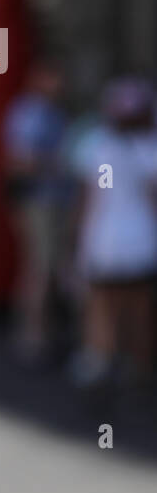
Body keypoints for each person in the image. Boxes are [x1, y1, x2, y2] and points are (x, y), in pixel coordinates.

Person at [68, 78, 157, 389]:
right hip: (142, 243)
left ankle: (100, 366)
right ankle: (139, 369)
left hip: (104, 243)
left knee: (102, 307)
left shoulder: (96, 146)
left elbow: (87, 200)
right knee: (140, 308)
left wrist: (76, 238)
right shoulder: (150, 149)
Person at [3, 66, 71, 361]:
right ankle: (33, 336)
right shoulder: (30, 114)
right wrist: (57, 163)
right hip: (39, 202)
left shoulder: (56, 113)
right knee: (39, 269)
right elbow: (19, 162)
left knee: (52, 268)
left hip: (57, 201)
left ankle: (47, 331)